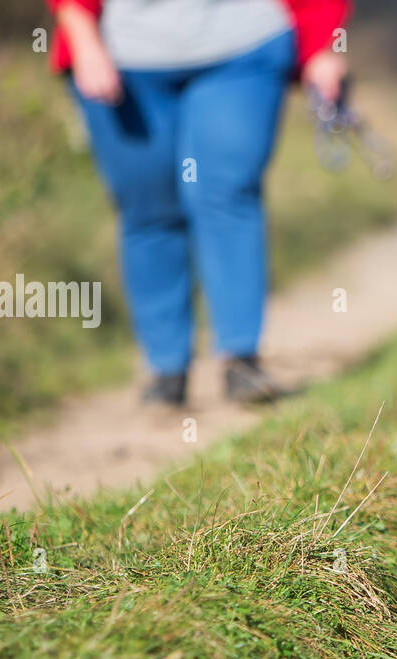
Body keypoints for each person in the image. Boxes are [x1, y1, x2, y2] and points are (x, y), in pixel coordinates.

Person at [45, 0, 352, 406]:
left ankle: (241, 359)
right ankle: (166, 368)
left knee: (227, 192)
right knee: (148, 210)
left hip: (244, 46)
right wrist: (82, 35)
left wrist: (322, 44)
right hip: (124, 54)